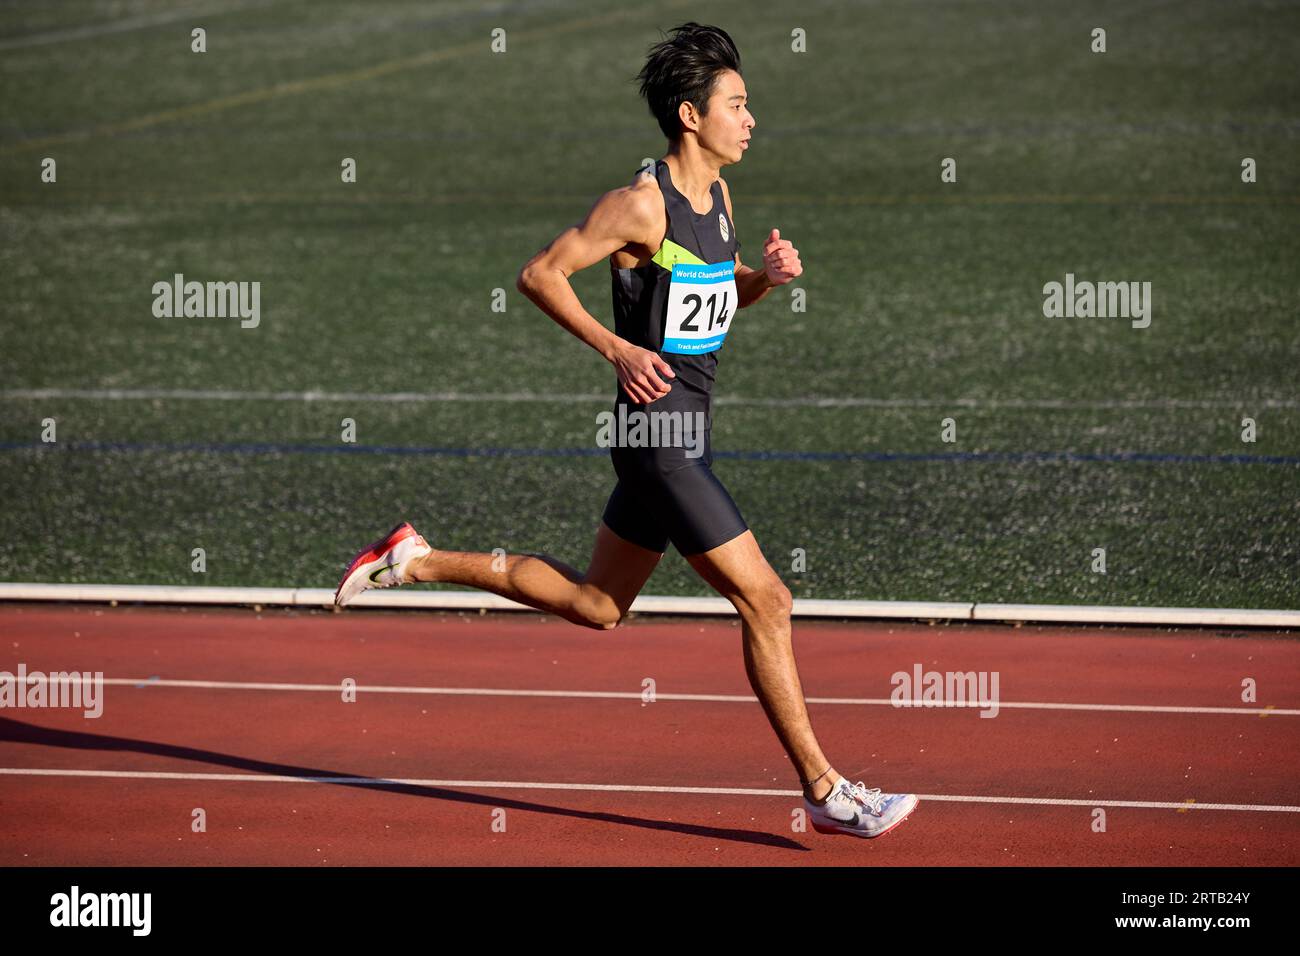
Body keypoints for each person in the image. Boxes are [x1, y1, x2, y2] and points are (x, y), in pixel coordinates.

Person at [334, 22, 917, 839]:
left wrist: (763, 280)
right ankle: (825, 791)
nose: (751, 120)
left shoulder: (717, 198)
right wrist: (615, 348)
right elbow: (539, 274)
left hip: (685, 437)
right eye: (738, 105)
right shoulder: (642, 203)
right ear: (690, 114)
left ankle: (416, 558)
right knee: (768, 600)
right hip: (659, 445)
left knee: (599, 603)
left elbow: (712, 304)